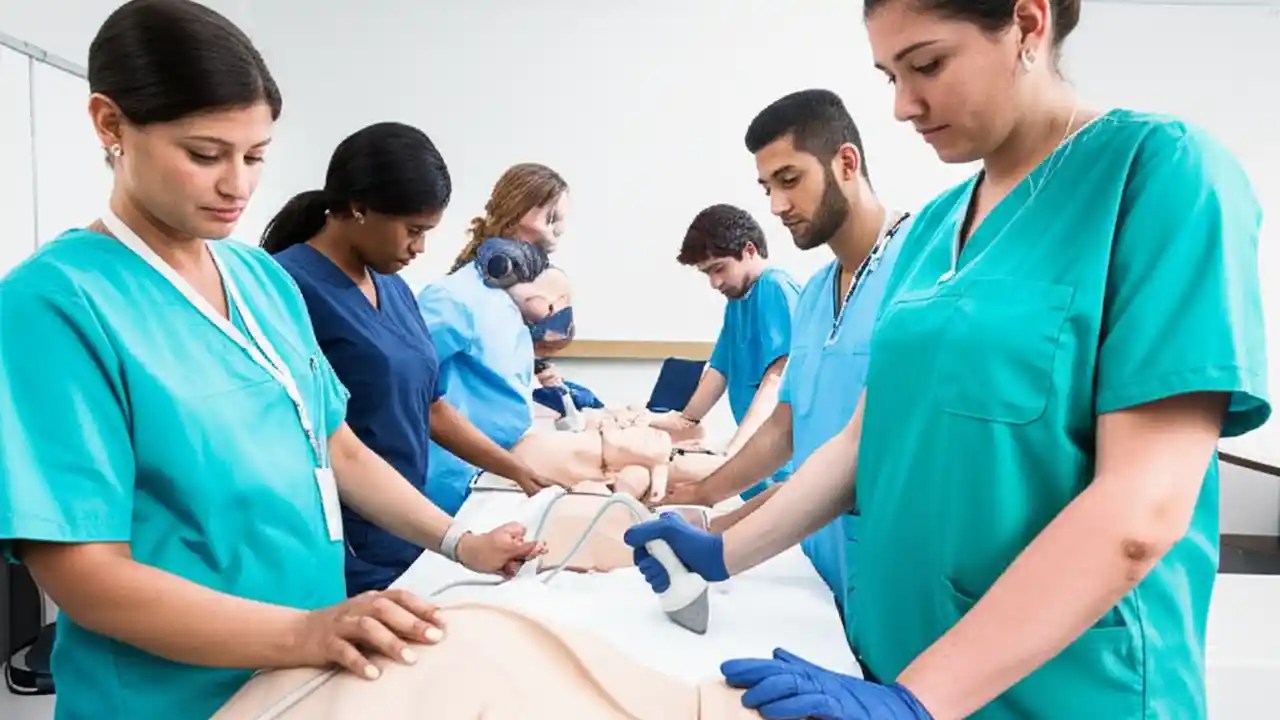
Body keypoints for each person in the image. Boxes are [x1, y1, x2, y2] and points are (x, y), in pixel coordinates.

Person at [625, 0, 1270, 717]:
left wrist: (919, 700)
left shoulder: (1160, 176)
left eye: (928, 65)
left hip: (1069, 686)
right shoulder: (933, 230)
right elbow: (864, 441)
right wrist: (723, 549)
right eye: (889, 75)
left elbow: (1143, 505)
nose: (903, 105)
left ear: (1028, 24)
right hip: (904, 657)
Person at [0, 2, 541, 718]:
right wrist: (304, 631)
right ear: (110, 125)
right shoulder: (55, 303)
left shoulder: (261, 282)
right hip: (171, 696)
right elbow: (83, 573)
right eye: (205, 155)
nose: (238, 185)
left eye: (254, 157)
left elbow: (337, 447)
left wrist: (458, 541)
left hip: (295, 681)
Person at [260, 122, 556, 595]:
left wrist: (514, 469)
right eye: (413, 231)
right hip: (339, 535)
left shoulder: (393, 288)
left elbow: (432, 407)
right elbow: (329, 443)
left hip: (400, 522)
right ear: (359, 208)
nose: (419, 248)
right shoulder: (284, 287)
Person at [662, 90, 914, 635]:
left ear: (846, 163)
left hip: (890, 572)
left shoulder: (918, 271)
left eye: (790, 179)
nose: (775, 207)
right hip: (820, 567)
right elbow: (787, 425)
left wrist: (720, 537)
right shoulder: (818, 292)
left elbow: (861, 453)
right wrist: (706, 498)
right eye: (766, 188)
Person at [417, 164, 572, 515]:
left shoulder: (507, 301)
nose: (557, 233)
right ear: (516, 212)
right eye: (551, 218)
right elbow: (399, 381)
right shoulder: (456, 298)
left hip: (499, 474)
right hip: (453, 481)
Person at [664, 204, 800, 500]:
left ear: (749, 250)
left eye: (719, 268)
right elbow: (719, 371)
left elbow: (778, 379)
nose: (714, 283)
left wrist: (734, 452)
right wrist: (684, 422)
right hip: (755, 455)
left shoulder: (775, 287)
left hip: (780, 458)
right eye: (707, 273)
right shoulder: (737, 302)